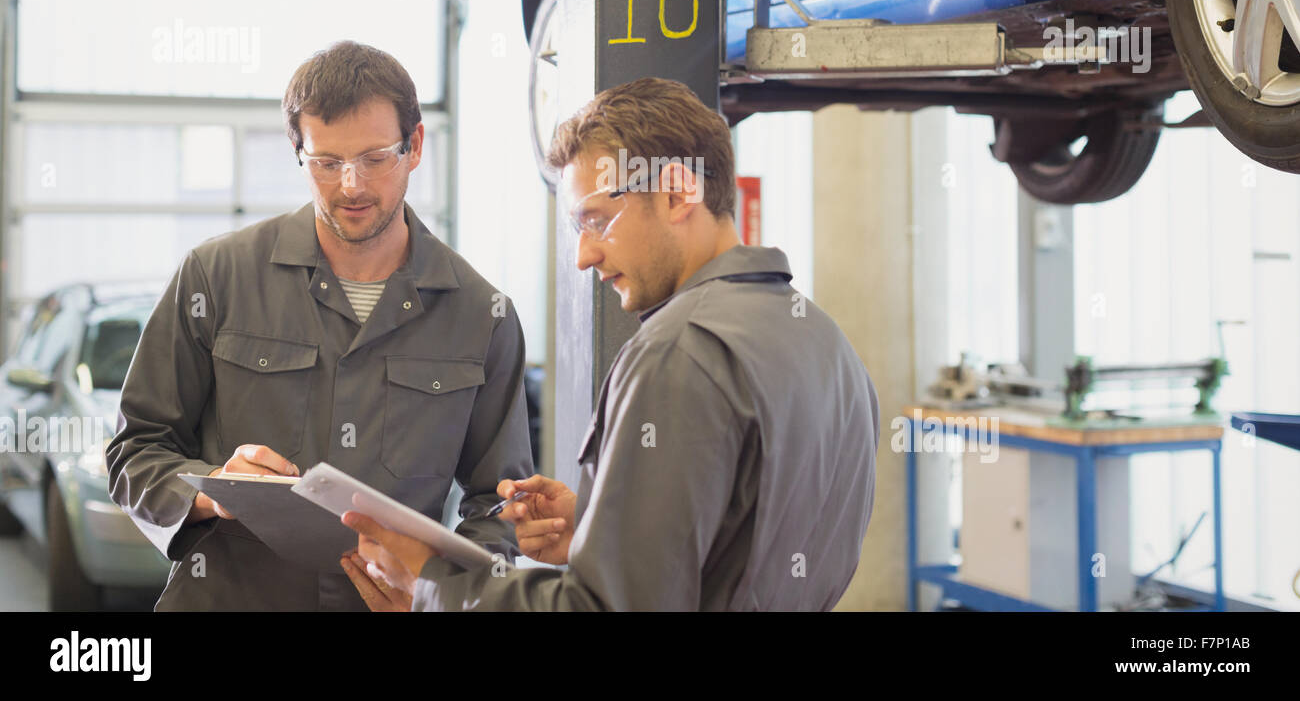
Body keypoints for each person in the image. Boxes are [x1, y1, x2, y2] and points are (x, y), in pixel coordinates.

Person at [341, 77, 879, 611]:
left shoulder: (680, 352)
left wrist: (430, 583)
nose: (584, 255)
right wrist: (608, 527)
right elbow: (742, 552)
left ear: (676, 191)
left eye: (595, 220)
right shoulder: (826, 343)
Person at [106, 40, 533, 611]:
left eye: (375, 157)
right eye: (327, 163)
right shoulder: (216, 276)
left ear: (416, 146)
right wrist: (213, 487)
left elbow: (498, 506)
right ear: (297, 150)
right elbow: (135, 451)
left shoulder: (483, 316)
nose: (351, 185)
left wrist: (438, 596)